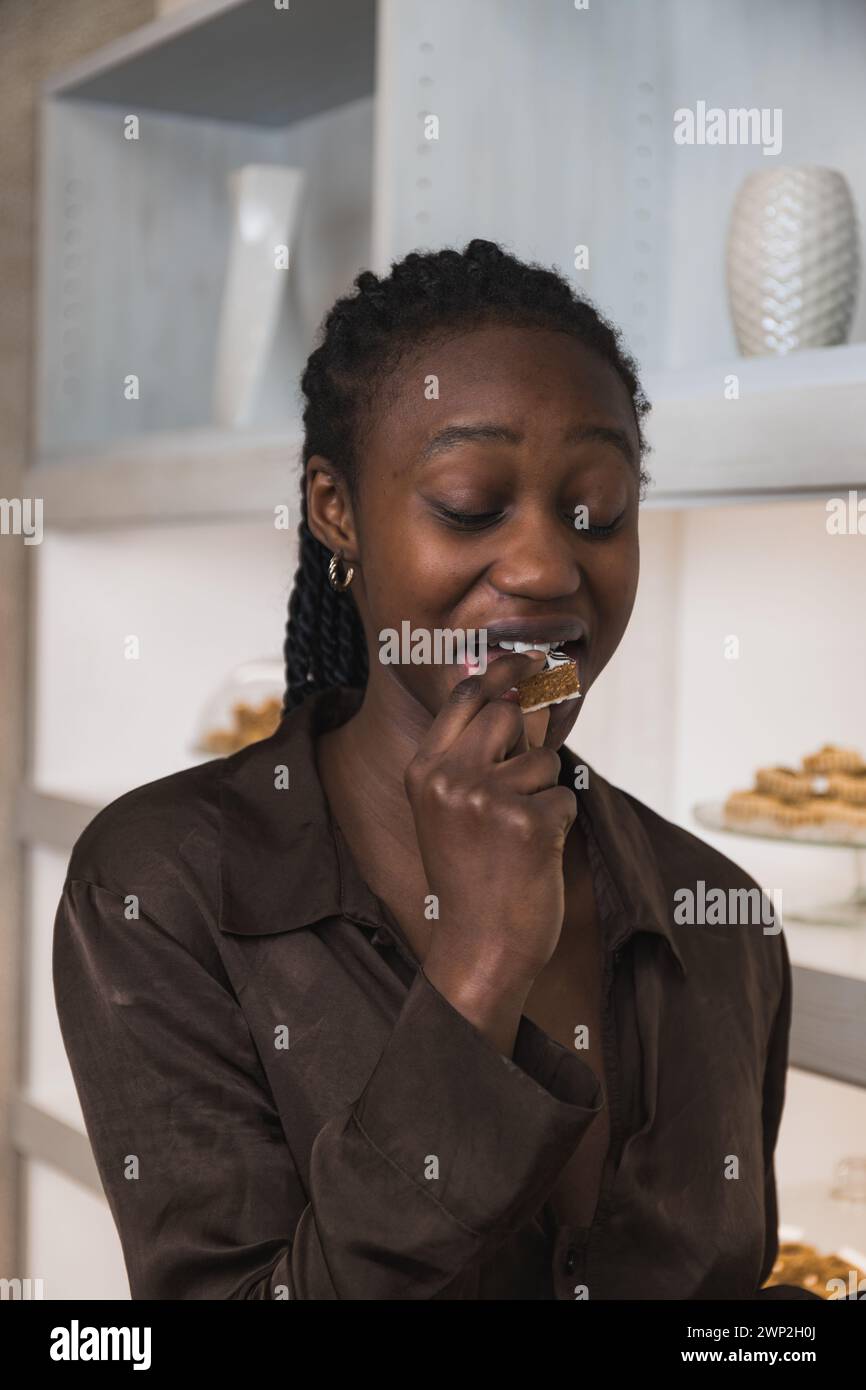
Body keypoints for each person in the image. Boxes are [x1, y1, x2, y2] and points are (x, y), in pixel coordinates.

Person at [53, 239, 814, 1300]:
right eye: (468, 503)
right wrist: (480, 966)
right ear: (335, 508)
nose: (548, 567)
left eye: (596, 507)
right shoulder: (163, 884)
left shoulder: (722, 921)